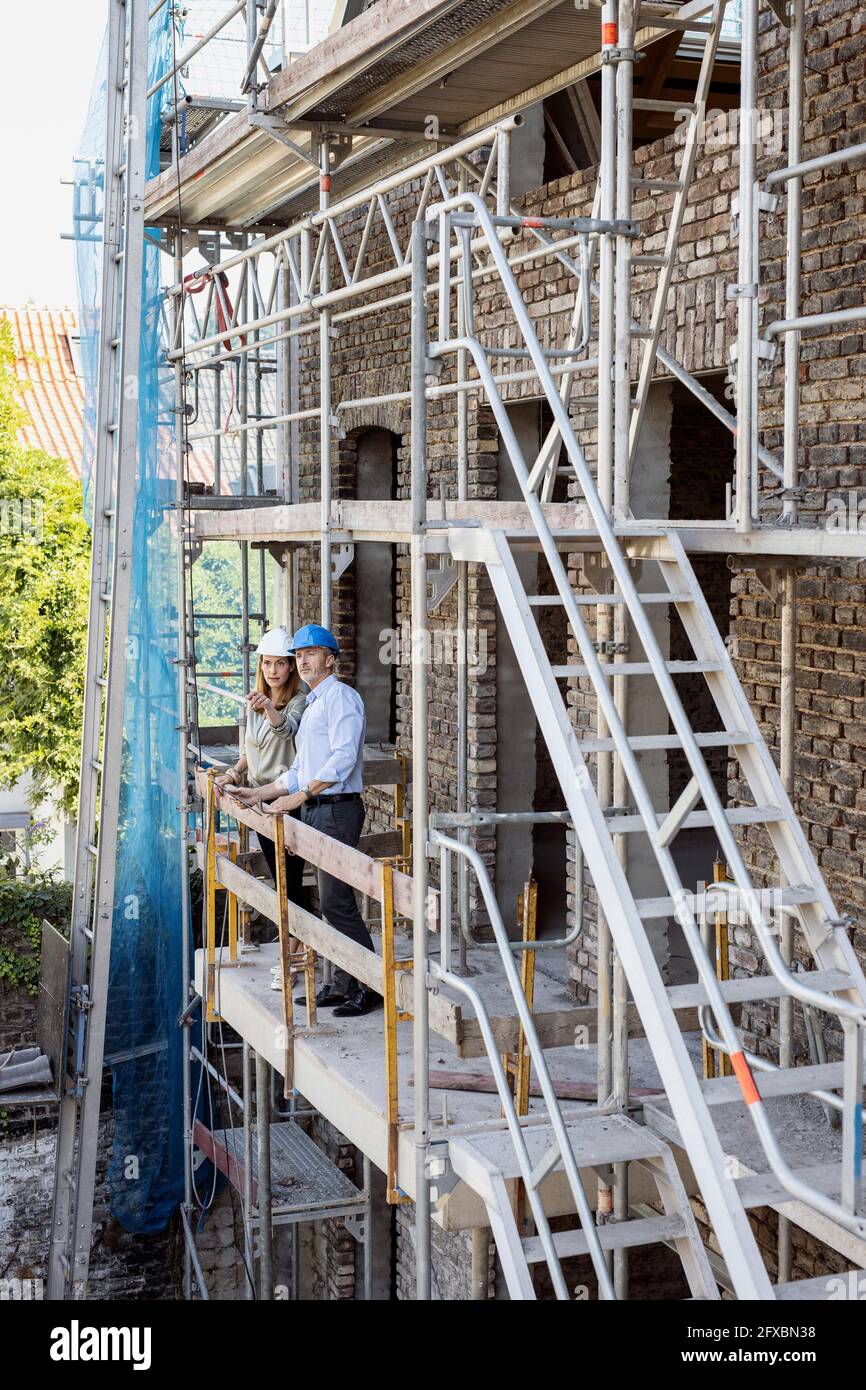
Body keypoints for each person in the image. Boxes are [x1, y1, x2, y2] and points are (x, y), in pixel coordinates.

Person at [228, 623, 381, 1019]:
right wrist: (259, 793)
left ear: (330, 659)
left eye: (311, 654)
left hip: (336, 808)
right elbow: (298, 768)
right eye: (300, 655)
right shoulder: (313, 703)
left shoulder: (341, 698)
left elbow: (343, 758)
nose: (303, 660)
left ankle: (370, 987)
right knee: (332, 903)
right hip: (318, 807)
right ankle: (345, 983)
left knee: (337, 902)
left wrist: (304, 794)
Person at [214, 628, 308, 965]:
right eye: (267, 663)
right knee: (278, 874)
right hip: (258, 799)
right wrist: (233, 773)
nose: (272, 671)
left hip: (285, 797)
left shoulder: (300, 700)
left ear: (291, 667)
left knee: (291, 877)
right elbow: (247, 752)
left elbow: (287, 729)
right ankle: (295, 939)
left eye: (280, 664)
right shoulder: (254, 700)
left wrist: (269, 706)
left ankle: (297, 944)